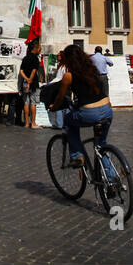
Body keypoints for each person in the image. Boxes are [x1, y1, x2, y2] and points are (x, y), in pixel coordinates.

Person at [49, 44, 113, 172]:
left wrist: (53, 107)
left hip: (90, 112)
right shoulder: (92, 70)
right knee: (102, 145)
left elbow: (61, 97)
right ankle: (111, 180)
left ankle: (77, 156)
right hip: (107, 109)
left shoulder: (69, 76)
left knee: (68, 120)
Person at [19, 41, 43, 129]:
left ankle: (26, 123)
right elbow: (34, 71)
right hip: (33, 83)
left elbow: (21, 71)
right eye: (39, 48)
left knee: (26, 102)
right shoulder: (35, 59)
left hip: (25, 83)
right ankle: (33, 123)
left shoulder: (25, 58)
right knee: (33, 103)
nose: (40, 50)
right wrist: (30, 80)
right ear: (35, 48)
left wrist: (26, 79)